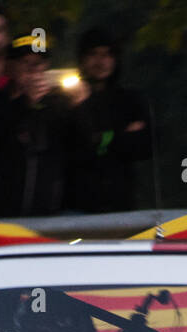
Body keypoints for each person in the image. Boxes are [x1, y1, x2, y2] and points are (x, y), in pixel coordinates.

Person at [0, 35, 76, 217]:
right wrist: (26, 104)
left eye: (39, 64)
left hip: (51, 210)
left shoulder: (58, 106)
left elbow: (77, 147)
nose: (33, 70)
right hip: (2, 210)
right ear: (9, 67)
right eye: (26, 62)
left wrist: (80, 104)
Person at [66, 27, 152, 213]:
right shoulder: (66, 101)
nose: (101, 62)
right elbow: (76, 149)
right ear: (82, 59)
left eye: (107, 55)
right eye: (94, 54)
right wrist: (117, 136)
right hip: (77, 204)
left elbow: (144, 147)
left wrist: (102, 139)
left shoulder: (130, 100)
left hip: (121, 202)